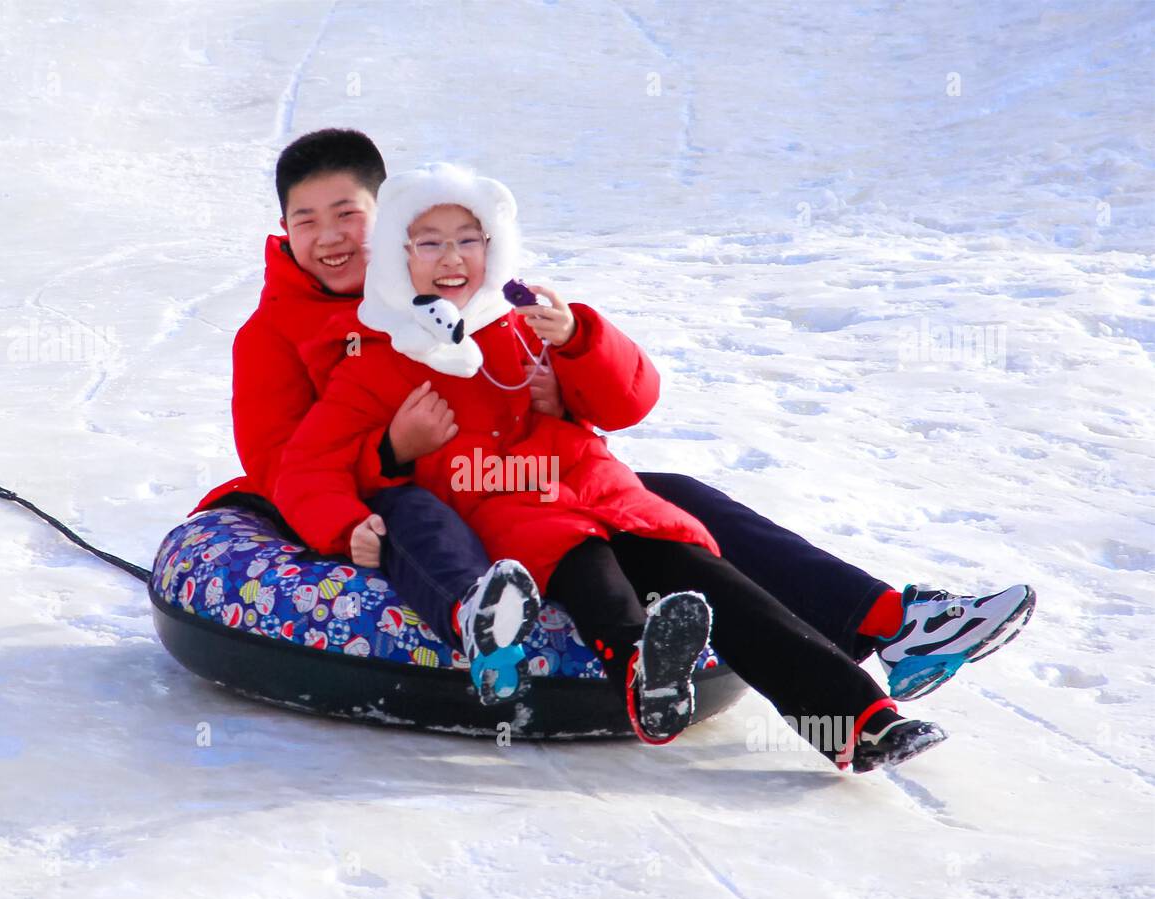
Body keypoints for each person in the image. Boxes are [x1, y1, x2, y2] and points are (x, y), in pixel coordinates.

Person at [193, 128, 1034, 717]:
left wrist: (562, 371)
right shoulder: (270, 335)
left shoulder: (451, 288)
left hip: (513, 484)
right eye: (307, 221)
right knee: (486, 513)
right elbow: (279, 466)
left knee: (669, 498)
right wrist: (390, 450)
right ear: (284, 232)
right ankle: (567, 638)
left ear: (387, 217)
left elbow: (611, 397)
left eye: (348, 214)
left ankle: (893, 620)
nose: (330, 237)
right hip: (403, 511)